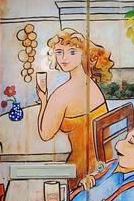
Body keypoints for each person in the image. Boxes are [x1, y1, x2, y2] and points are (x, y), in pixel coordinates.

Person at [36, 27, 111, 180]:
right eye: (59, 52)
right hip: (106, 167)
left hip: (81, 173)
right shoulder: (91, 84)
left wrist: (43, 100)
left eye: (72, 52)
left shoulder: (61, 95)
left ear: (83, 55)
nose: (64, 58)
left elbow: (44, 134)